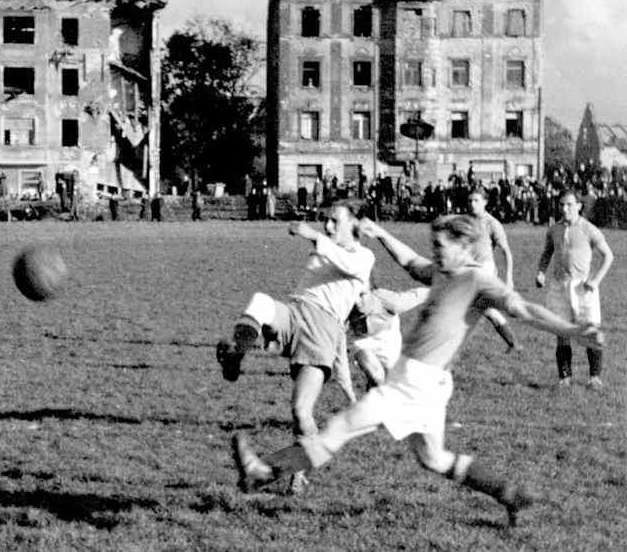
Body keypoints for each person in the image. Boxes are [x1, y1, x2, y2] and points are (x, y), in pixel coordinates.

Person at [232, 215, 602, 527]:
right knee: (434, 459)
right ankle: (509, 493)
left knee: (340, 427)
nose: (436, 252)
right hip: (426, 383)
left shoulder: (478, 281)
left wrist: (571, 330)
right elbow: (410, 261)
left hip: (414, 383)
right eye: (435, 245)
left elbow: (524, 309)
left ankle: (262, 472)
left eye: (442, 246)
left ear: (465, 247)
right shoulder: (444, 272)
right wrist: (382, 234)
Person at [218, 200, 374, 494]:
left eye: (334, 221)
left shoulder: (364, 256)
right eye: (325, 220)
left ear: (355, 224)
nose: (327, 226)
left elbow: (350, 267)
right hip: (296, 313)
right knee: (261, 301)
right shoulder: (324, 249)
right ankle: (236, 356)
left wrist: (314, 235)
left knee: (301, 411)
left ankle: (297, 472)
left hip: (322, 332)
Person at [536, 190, 614, 389]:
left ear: (579, 206)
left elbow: (608, 256)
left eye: (569, 204)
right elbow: (547, 252)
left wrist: (595, 280)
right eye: (561, 204)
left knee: (590, 331)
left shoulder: (589, 229)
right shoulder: (554, 229)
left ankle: (594, 378)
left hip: (583, 287)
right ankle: (565, 378)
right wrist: (541, 272)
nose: (564, 208)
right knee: (562, 332)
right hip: (559, 286)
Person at [466, 189, 519, 351]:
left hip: (485, 269)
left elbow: (506, 252)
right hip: (468, 268)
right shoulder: (466, 221)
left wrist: (509, 277)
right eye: (470, 201)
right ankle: (512, 342)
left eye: (476, 200)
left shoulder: (492, 223)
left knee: (468, 305)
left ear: (485, 202)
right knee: (485, 309)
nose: (472, 204)